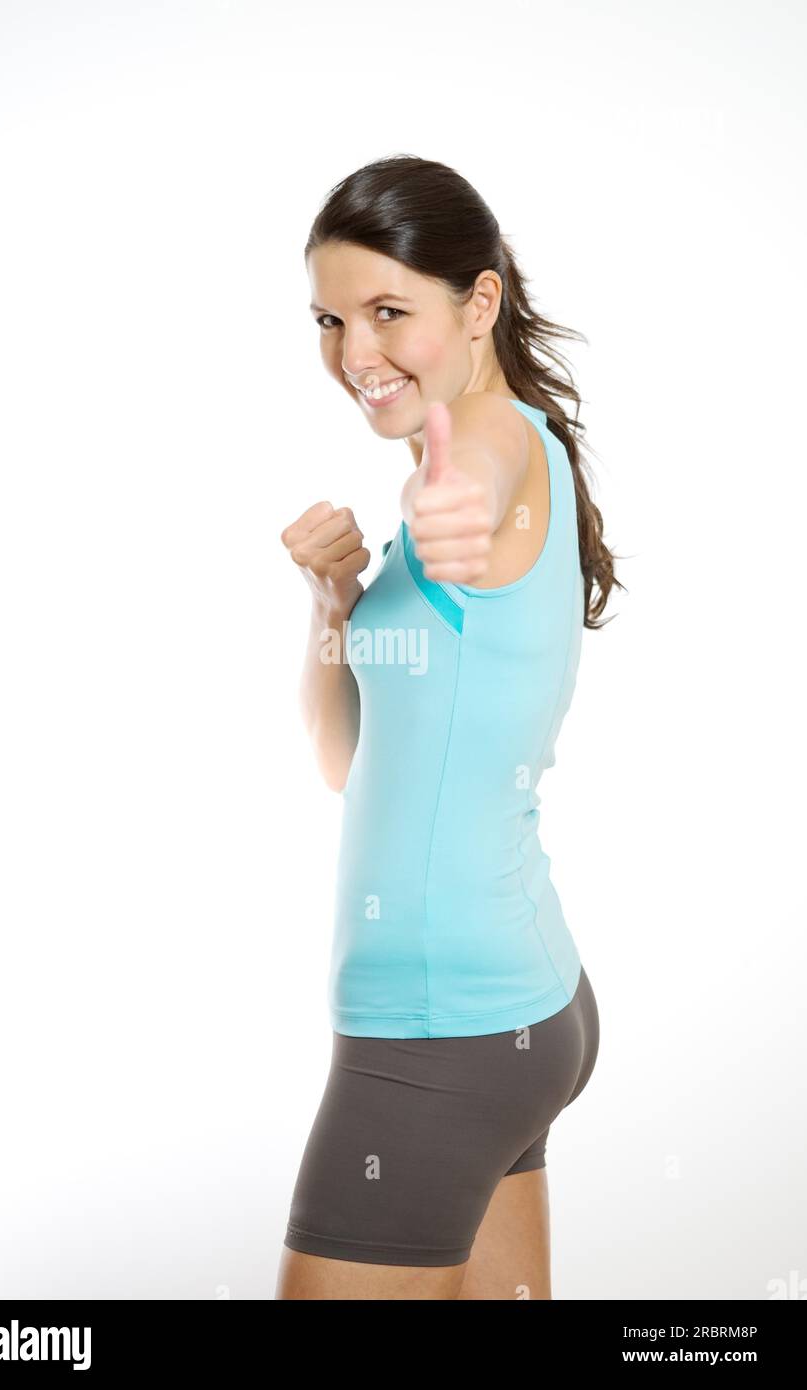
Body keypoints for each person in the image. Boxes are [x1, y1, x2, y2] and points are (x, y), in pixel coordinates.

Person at [276, 155, 623, 1301]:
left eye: (388, 313)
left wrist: (452, 505)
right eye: (331, 319)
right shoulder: (455, 464)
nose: (353, 353)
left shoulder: (494, 448)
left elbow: (481, 470)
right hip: (519, 1016)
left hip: (437, 1045)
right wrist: (335, 609)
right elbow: (347, 764)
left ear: (478, 303)